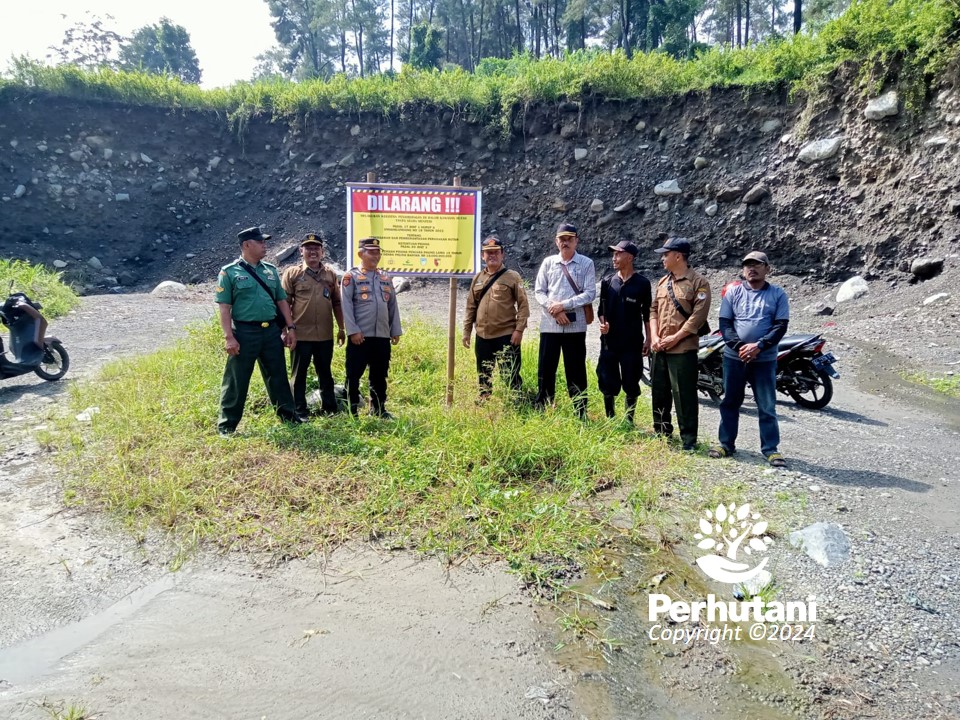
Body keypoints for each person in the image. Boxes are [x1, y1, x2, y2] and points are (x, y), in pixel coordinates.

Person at [216, 226, 300, 436]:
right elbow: (225, 308)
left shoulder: (270, 270)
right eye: (260, 242)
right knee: (237, 379)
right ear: (246, 245)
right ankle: (227, 426)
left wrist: (290, 328)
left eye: (265, 242)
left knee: (278, 375)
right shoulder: (229, 272)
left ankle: (288, 417)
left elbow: (281, 301)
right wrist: (229, 337)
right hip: (244, 333)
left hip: (271, 331)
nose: (265, 245)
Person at [710, 251, 790, 467]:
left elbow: (780, 326)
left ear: (767, 269)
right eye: (747, 265)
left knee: (766, 405)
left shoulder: (777, 294)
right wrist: (740, 347)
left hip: (764, 360)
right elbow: (725, 324)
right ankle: (725, 444)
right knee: (730, 402)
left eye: (757, 264)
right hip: (734, 358)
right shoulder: (733, 293)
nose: (751, 268)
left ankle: (770, 449)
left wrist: (759, 346)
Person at [649, 236, 711, 451]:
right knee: (659, 393)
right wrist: (655, 337)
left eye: (665, 254)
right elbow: (653, 310)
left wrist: (674, 338)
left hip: (682, 349)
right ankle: (661, 433)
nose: (662, 258)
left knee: (683, 395)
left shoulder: (698, 283)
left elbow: (698, 317)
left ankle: (688, 440)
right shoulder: (662, 282)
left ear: (678, 256)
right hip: (659, 348)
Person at [533, 222, 597, 419]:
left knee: (576, 369)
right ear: (556, 241)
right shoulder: (548, 262)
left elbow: (590, 293)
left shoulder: (586, 263)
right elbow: (538, 291)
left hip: (575, 326)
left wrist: (564, 305)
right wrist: (554, 308)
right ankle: (543, 406)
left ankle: (580, 411)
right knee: (546, 367)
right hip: (550, 325)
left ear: (577, 241)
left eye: (570, 239)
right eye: (562, 239)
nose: (566, 242)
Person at [281, 233, 346, 419]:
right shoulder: (292, 273)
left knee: (325, 372)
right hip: (300, 335)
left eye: (316, 248)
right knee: (298, 375)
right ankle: (299, 411)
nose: (312, 251)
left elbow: (337, 303)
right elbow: (284, 302)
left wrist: (341, 329)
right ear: (301, 251)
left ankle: (330, 409)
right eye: (308, 248)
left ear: (322, 251)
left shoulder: (330, 274)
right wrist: (285, 330)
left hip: (325, 334)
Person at [462, 236, 530, 401]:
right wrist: (466, 331)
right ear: (482, 256)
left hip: (506, 335)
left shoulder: (512, 277)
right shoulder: (477, 279)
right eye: (488, 253)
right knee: (484, 373)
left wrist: (519, 330)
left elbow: (523, 306)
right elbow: (470, 306)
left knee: (510, 373)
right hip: (483, 335)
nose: (492, 255)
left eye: (495, 252)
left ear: (502, 254)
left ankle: (516, 401)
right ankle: (485, 400)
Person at [341, 237, 402, 418]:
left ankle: (378, 409)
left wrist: (395, 330)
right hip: (360, 336)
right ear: (361, 254)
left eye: (378, 252)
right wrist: (353, 331)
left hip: (382, 336)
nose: (376, 255)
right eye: (371, 252)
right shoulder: (350, 277)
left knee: (379, 375)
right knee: (354, 374)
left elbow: (392, 306)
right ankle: (351, 410)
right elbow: (346, 306)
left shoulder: (385, 277)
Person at [597, 240, 652, 424]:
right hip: (609, 342)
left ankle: (629, 420)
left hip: (632, 342)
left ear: (630, 257)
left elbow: (647, 313)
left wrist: (649, 339)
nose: (614, 258)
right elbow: (601, 311)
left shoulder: (642, 284)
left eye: (618, 254)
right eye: (613, 254)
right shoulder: (607, 281)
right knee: (607, 379)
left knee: (631, 380)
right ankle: (610, 418)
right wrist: (603, 324)